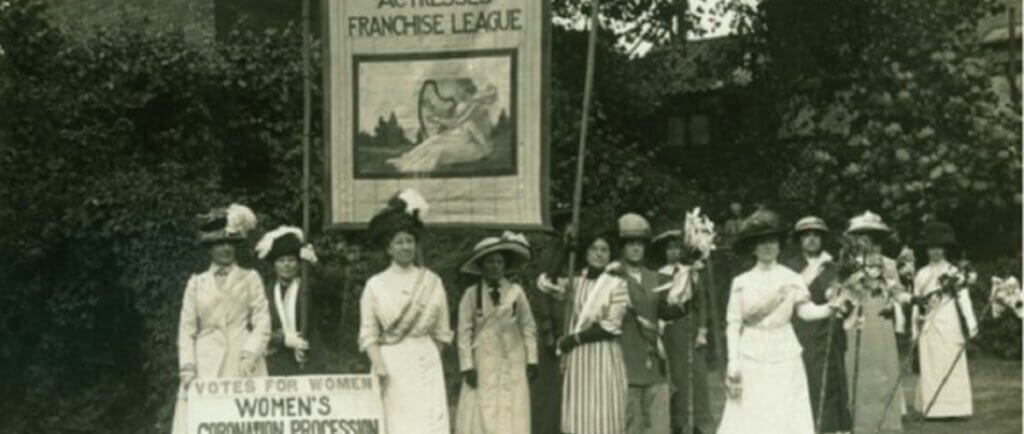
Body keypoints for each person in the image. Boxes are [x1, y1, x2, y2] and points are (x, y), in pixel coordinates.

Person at [717, 209, 847, 434]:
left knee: (786, 407)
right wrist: (733, 361)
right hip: (752, 351)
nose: (768, 247)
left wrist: (829, 308)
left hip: (785, 351)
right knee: (752, 409)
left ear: (779, 246)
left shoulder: (791, 278)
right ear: (754, 248)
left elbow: (805, 312)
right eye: (762, 243)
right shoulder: (741, 282)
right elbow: (733, 323)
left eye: (772, 242)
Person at [358, 189, 452, 434]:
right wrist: (379, 366)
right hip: (391, 366)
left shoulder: (433, 281)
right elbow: (368, 334)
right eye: (399, 242)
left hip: (425, 364)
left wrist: (427, 357)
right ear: (388, 248)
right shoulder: (375, 285)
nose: (405, 247)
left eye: (409, 241)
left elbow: (442, 333)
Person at [172, 203, 269, 434]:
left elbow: (262, 319)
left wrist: (251, 352)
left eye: (230, 243)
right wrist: (187, 365)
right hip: (205, 363)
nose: (226, 248)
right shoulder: (196, 283)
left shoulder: (250, 278)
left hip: (243, 361)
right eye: (219, 243)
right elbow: (186, 328)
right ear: (210, 247)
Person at [613, 213, 692, 434]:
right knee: (632, 425)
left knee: (658, 426)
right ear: (622, 248)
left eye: (640, 244)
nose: (636, 249)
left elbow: (666, 312)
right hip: (624, 359)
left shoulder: (654, 277)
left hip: (653, 361)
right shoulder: (612, 276)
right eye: (630, 244)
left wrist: (684, 299)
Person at [455, 231, 538, 434]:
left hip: (513, 356)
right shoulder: (471, 294)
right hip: (484, 358)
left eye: (499, 262)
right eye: (490, 262)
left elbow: (528, 326)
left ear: (505, 266)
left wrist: (532, 359)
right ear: (482, 266)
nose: (495, 267)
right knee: (485, 406)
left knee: (512, 406)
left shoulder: (516, 293)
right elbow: (463, 332)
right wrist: (467, 366)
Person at [841, 211, 913, 433]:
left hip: (881, 319)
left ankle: (886, 423)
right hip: (856, 320)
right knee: (856, 368)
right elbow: (841, 294)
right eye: (861, 235)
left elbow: (897, 292)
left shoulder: (889, 265)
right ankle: (857, 422)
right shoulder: (848, 265)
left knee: (883, 370)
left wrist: (912, 299)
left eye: (871, 236)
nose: (866, 241)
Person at [782, 216, 853, 434]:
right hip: (800, 331)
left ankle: (831, 427)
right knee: (804, 379)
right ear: (799, 240)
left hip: (829, 331)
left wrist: (842, 304)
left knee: (831, 380)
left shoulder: (833, 264)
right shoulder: (790, 267)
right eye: (806, 235)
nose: (811, 240)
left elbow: (847, 298)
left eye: (816, 235)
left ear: (822, 239)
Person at [556, 230, 630, 434]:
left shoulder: (617, 284)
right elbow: (546, 282)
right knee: (580, 414)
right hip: (579, 359)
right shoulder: (575, 282)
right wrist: (565, 249)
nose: (599, 254)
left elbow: (611, 326)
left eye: (604, 250)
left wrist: (575, 338)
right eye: (594, 249)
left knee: (604, 413)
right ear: (586, 253)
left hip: (604, 355)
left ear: (610, 255)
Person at [652, 212, 715, 434]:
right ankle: (676, 425)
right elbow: (656, 305)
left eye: (677, 248)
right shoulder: (658, 276)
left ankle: (697, 424)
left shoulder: (691, 272)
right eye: (669, 249)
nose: (673, 252)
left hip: (690, 329)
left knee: (695, 377)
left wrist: (702, 330)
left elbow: (701, 302)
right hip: (669, 332)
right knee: (675, 377)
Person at [911, 221, 977, 418]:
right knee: (931, 363)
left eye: (939, 248)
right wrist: (914, 327)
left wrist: (971, 323)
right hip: (929, 323)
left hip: (949, 322)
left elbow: (963, 298)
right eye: (932, 248)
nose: (935, 252)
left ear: (945, 249)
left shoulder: (954, 272)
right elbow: (916, 301)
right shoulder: (921, 274)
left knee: (950, 361)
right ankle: (932, 408)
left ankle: (955, 408)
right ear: (927, 250)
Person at [387, 79, 498, 172]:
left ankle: (412, 167)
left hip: (474, 143)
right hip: (461, 137)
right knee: (433, 140)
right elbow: (451, 119)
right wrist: (433, 112)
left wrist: (437, 120)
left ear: (466, 89)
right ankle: (405, 159)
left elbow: (456, 123)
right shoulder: (466, 104)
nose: (456, 92)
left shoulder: (475, 107)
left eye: (459, 89)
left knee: (438, 149)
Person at [255, 226, 320, 376]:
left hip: (310, 360)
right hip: (277, 362)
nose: (286, 265)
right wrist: (282, 338)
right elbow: (258, 328)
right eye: (281, 260)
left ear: (298, 264)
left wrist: (315, 264)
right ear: (274, 265)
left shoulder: (308, 287)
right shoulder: (265, 292)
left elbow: (330, 287)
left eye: (291, 260)